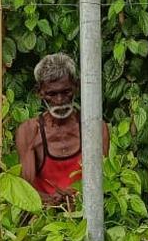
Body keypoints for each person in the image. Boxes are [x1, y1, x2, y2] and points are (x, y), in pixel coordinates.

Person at [16, 53, 110, 210]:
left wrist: (76, 199)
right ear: (40, 93)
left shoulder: (95, 129)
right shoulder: (30, 131)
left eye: (65, 92)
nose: (59, 101)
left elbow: (105, 181)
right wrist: (54, 201)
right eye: (52, 94)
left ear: (76, 87)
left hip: (87, 215)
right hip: (45, 219)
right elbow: (26, 190)